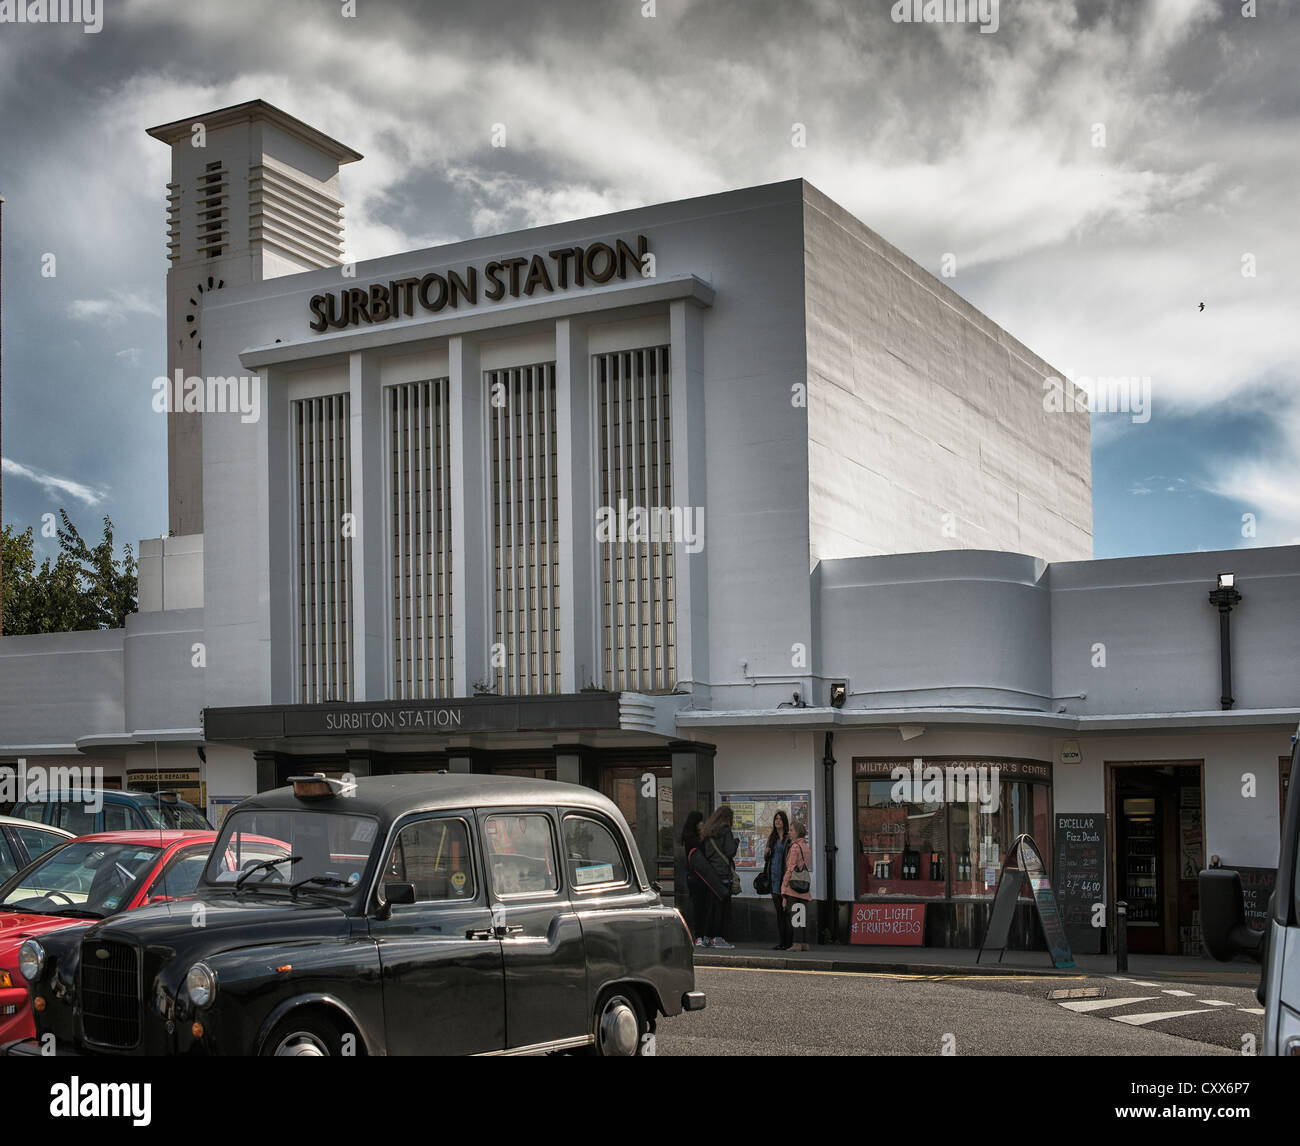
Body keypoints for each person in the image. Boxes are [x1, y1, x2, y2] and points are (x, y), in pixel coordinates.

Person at [699, 805, 738, 948]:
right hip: (723, 876)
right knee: (722, 910)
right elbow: (729, 851)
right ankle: (718, 938)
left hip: (710, 876)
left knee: (710, 908)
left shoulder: (707, 833)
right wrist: (736, 843)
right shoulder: (726, 832)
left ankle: (706, 937)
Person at [762, 811, 792, 950]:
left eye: (780, 819)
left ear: (784, 822)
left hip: (784, 877)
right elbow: (767, 859)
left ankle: (789, 941)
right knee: (779, 912)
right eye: (776, 819)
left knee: (787, 911)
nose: (777, 821)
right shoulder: (772, 838)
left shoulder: (788, 838)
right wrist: (766, 853)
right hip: (774, 877)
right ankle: (782, 942)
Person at [781, 819, 813, 951]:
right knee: (802, 916)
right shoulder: (806, 847)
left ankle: (796, 943)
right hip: (804, 886)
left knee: (795, 916)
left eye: (791, 830)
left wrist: (784, 887)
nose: (789, 832)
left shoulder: (794, 847)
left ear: (797, 832)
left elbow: (790, 868)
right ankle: (804, 943)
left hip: (793, 887)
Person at [681, 811, 710, 946]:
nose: (702, 824)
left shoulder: (688, 837)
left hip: (693, 876)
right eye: (700, 822)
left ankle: (700, 935)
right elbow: (703, 851)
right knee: (700, 907)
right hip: (698, 876)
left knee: (699, 906)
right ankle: (699, 935)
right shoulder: (693, 839)